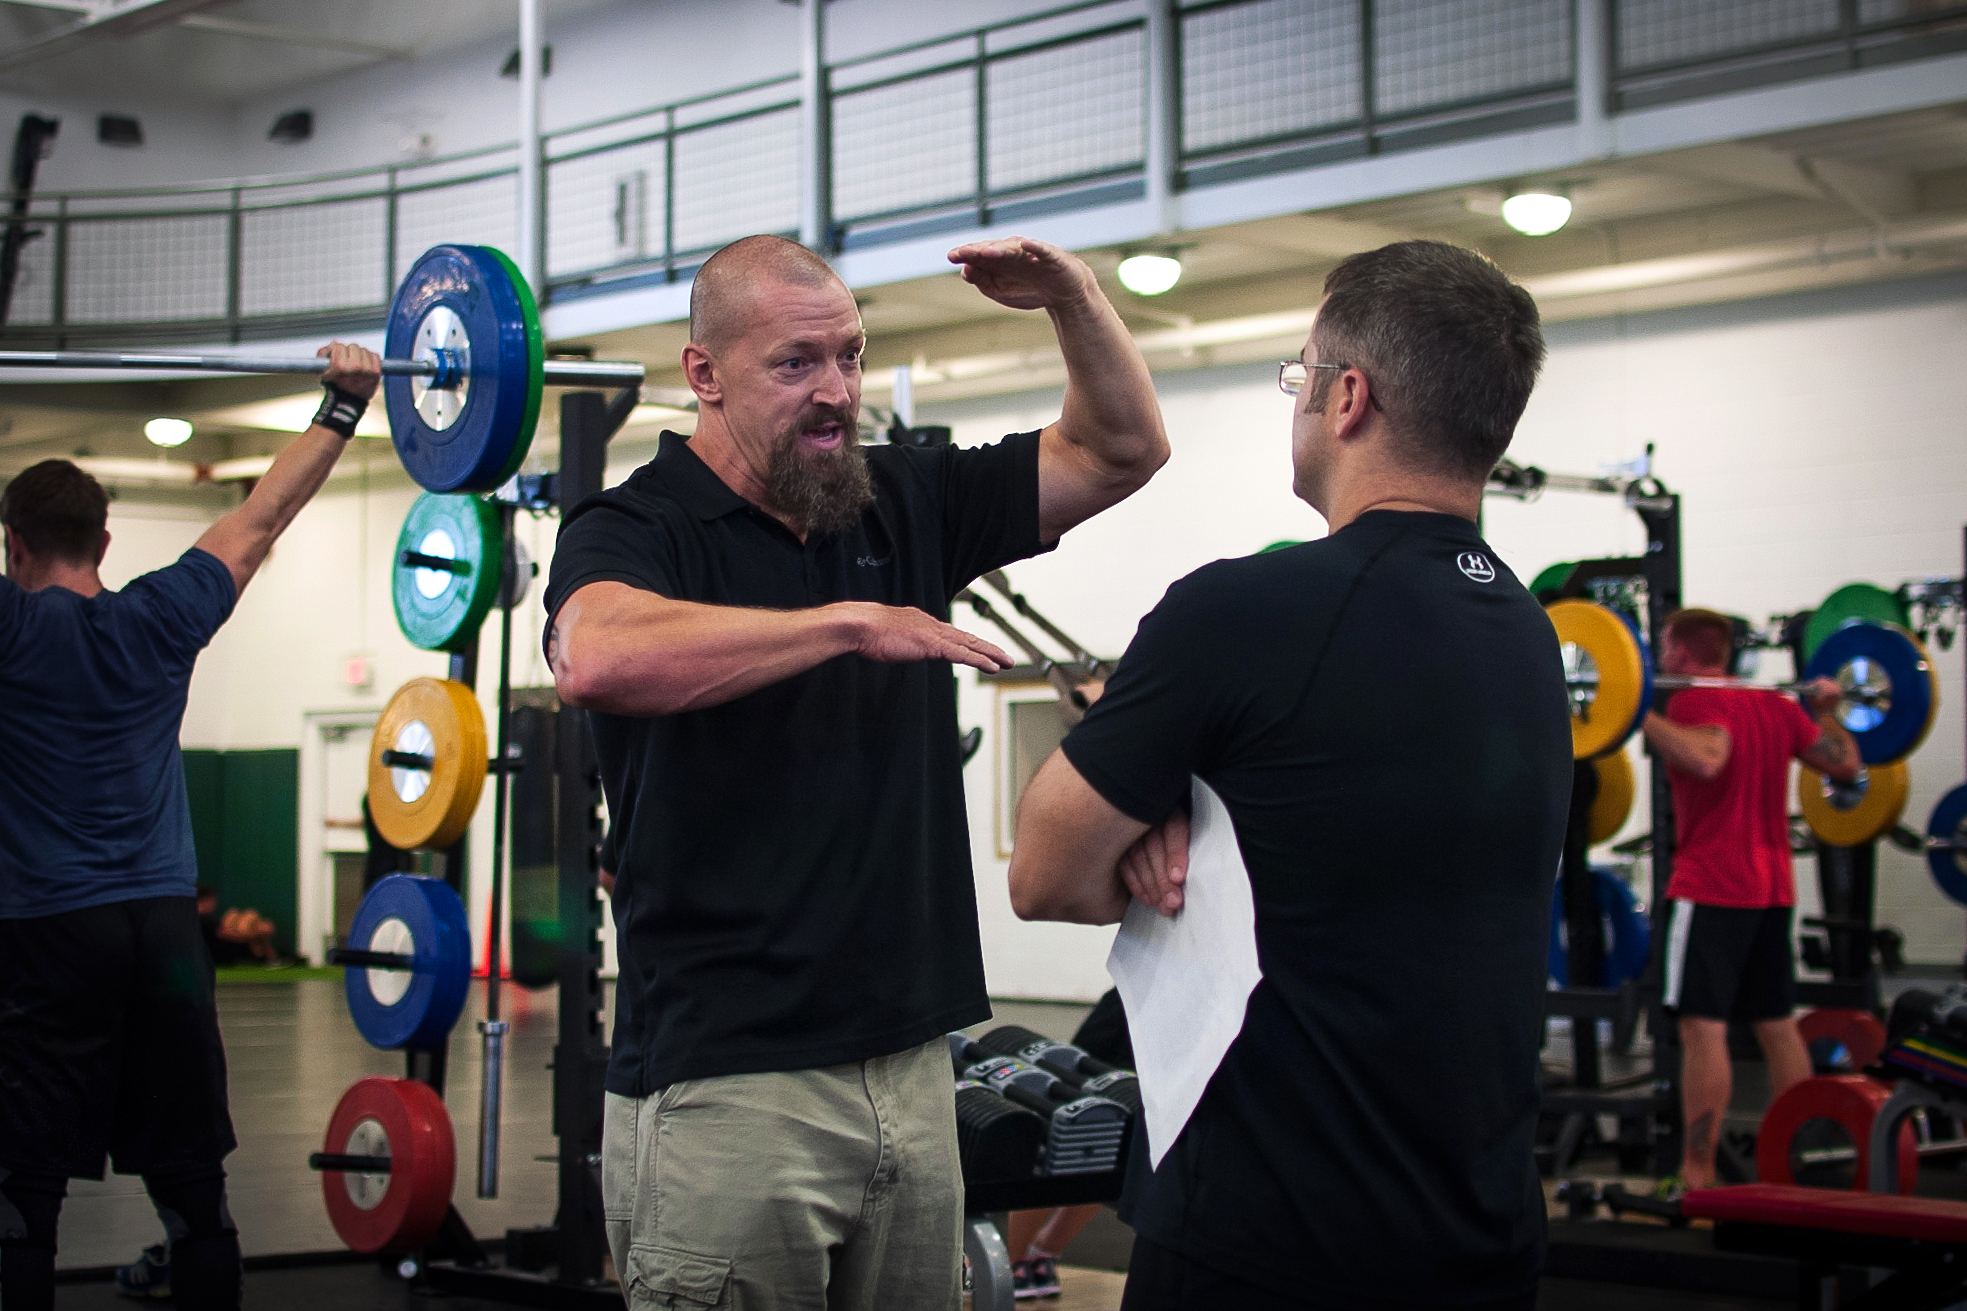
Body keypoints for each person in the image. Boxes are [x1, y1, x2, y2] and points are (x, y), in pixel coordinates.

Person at [543, 232, 1166, 1308]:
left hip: (915, 1067)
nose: (835, 392)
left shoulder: (900, 499)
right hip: (730, 1084)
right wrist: (840, 626)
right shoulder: (637, 525)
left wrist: (1074, 296)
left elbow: (1118, 450)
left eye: (849, 357)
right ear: (705, 375)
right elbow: (593, 653)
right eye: (796, 364)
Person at [1007, 240, 1568, 1311]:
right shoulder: (1526, 634)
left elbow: (1045, 876)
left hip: (1271, 1246)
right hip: (1479, 1239)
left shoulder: (1242, 611)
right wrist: (1192, 807)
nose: (1296, 401)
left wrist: (1161, 809)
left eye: (1299, 376)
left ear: (1346, 397)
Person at [0, 343, 382, 1311]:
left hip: (50, 932)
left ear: (14, 546)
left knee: (22, 1190)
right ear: (105, 539)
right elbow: (261, 519)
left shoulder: (9, 627)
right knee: (195, 1190)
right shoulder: (158, 618)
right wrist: (342, 403)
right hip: (166, 931)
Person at [1639, 606, 1860, 1190]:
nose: (1661, 658)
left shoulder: (1690, 702)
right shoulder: (1776, 706)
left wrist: (1636, 713)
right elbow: (1846, 764)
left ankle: (1698, 1173)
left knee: (1703, 1030)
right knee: (1777, 1025)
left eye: (1664, 645)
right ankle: (1799, 1160)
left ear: (1681, 650)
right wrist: (1828, 715)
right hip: (1771, 890)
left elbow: (1709, 757)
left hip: (1711, 887)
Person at [1005, 987, 1133, 1300]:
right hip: (1132, 1013)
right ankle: (1012, 1261)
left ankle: (1046, 1251)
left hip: (1192, 1031)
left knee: (1116, 1155)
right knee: (1067, 1145)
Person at [196, 885, 280, 966]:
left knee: (250, 918)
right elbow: (225, 934)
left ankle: (271, 959)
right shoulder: (202, 919)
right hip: (219, 956)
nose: (214, 904)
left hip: (216, 954)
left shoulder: (199, 918)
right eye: (212, 900)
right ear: (205, 900)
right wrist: (257, 933)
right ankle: (271, 959)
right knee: (252, 919)